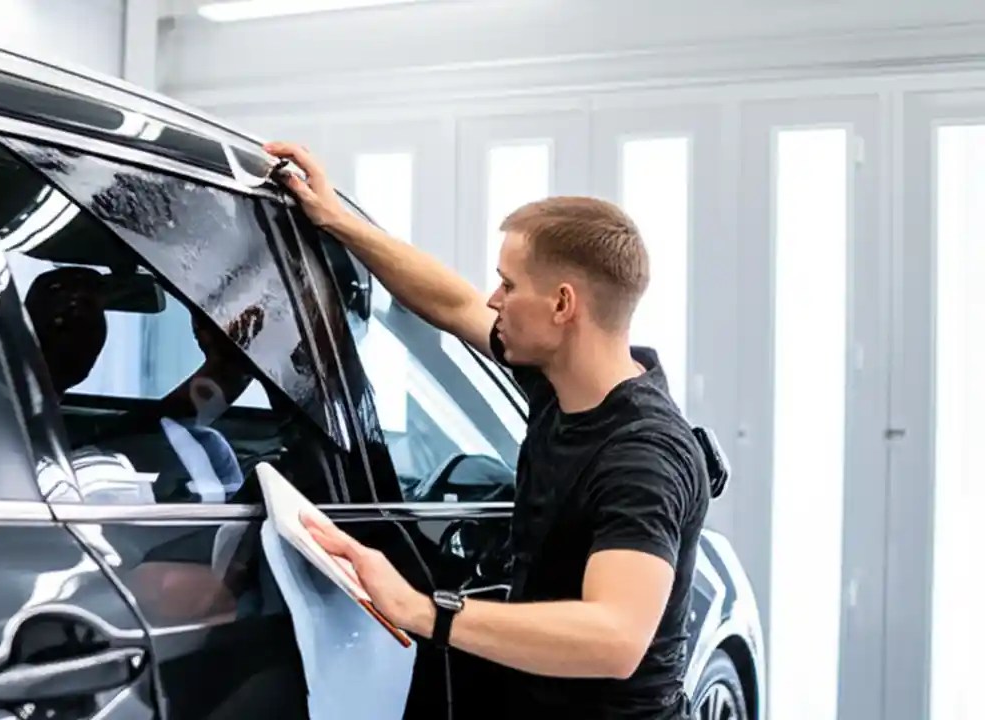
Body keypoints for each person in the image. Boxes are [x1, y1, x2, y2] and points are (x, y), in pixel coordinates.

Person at [264, 141, 712, 718]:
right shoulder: (560, 381)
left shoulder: (642, 453)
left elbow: (616, 637)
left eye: (509, 284)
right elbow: (452, 303)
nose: (494, 299)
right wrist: (337, 220)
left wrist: (422, 610)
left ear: (562, 305)